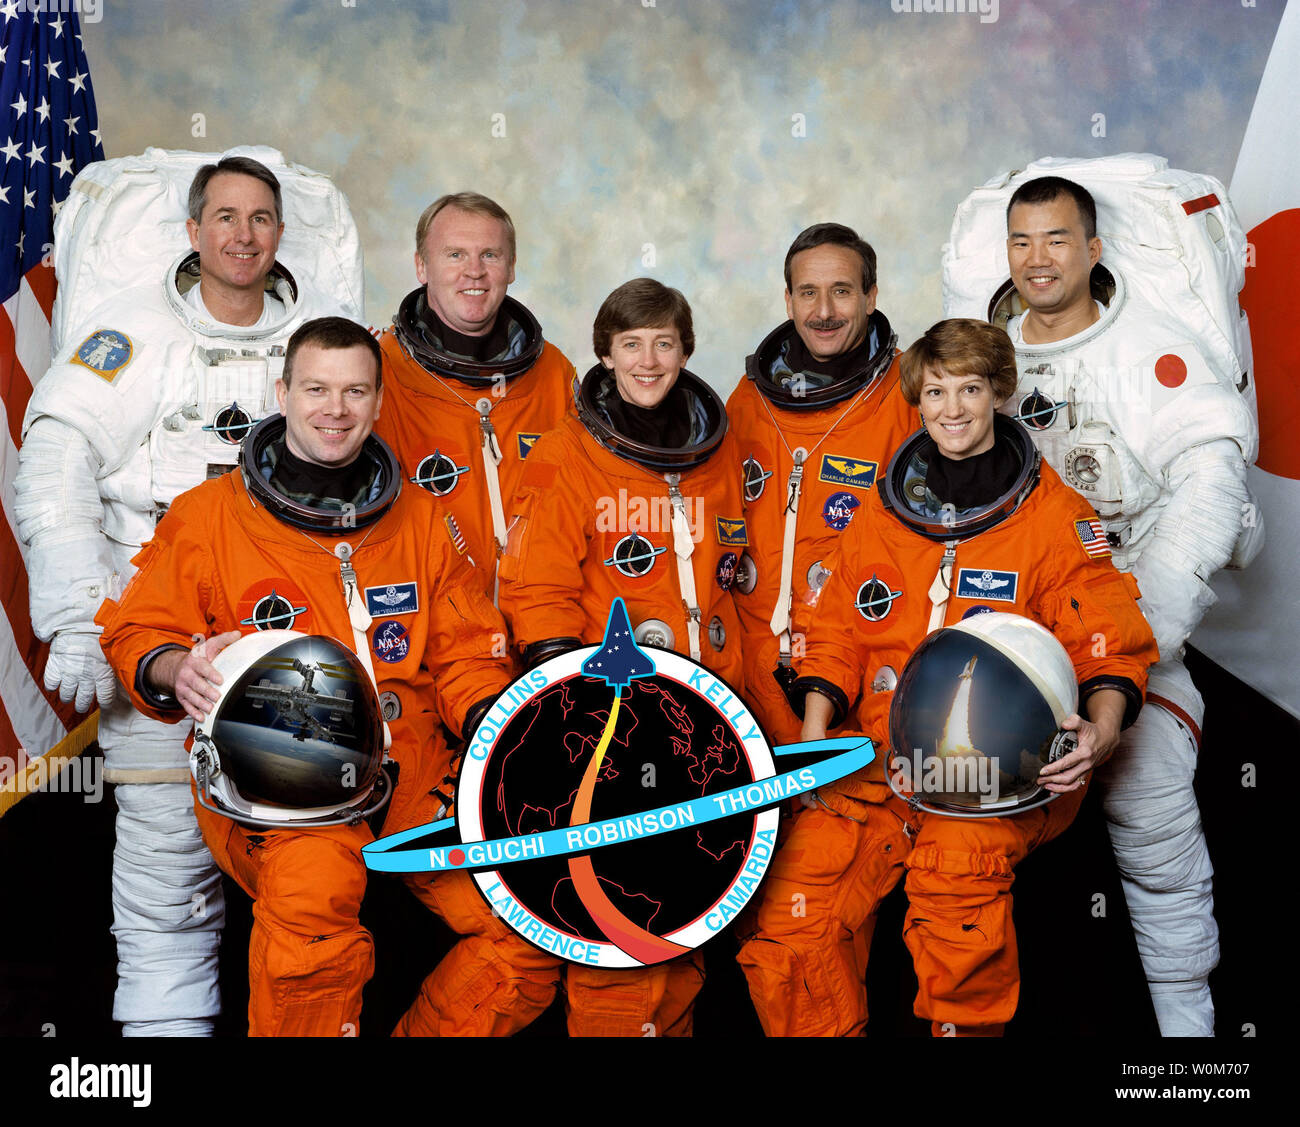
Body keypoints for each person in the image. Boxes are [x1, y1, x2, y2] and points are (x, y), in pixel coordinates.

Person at [96, 318, 561, 1036]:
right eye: (315, 388)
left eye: (353, 391)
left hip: (414, 769)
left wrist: (497, 731)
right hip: (279, 773)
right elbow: (138, 630)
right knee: (313, 910)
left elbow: (469, 653)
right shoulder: (211, 517)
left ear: (378, 402)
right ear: (282, 392)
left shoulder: (420, 518)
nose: (334, 409)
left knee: (531, 923)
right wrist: (172, 668)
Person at [14, 153, 360, 1037]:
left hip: (291, 648)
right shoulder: (130, 338)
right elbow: (54, 463)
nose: (243, 236)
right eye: (225, 217)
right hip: (161, 629)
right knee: (169, 884)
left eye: (260, 219)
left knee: (308, 872)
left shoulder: (319, 347)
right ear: (193, 231)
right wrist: (83, 618)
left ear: (281, 233)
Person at [736, 319, 1158, 1036]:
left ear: (999, 393)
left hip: (994, 770)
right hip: (875, 757)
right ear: (918, 398)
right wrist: (812, 744)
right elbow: (835, 631)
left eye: (970, 388)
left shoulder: (1052, 518)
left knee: (953, 897)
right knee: (791, 919)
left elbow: (1110, 644)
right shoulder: (883, 510)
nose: (952, 408)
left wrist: (1104, 730)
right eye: (936, 390)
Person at [1002, 176, 1258, 1036]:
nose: (1039, 260)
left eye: (1058, 240)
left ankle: (1188, 1032)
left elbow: (1211, 485)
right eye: (1024, 242)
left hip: (1134, 618)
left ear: (1094, 249)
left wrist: (1134, 637)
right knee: (951, 808)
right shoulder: (986, 365)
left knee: (1150, 809)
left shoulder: (1154, 355)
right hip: (1010, 632)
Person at [498, 278, 746, 1035]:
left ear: (686, 350)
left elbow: (739, 576)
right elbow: (537, 585)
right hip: (621, 723)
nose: (648, 360)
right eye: (631, 344)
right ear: (602, 353)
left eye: (664, 343)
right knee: (623, 922)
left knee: (689, 915)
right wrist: (577, 704)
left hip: (716, 717)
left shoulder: (718, 446)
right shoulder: (567, 455)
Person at [726, 223, 915, 745]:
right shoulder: (748, 399)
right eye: (808, 292)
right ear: (788, 301)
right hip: (750, 669)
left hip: (858, 666)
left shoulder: (910, 400)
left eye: (842, 291)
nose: (824, 311)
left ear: (871, 297)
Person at [376, 192, 575, 601]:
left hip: (541, 614)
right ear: (421, 266)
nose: (474, 272)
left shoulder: (554, 375)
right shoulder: (378, 373)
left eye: (490, 255)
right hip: (434, 625)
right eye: (454, 255)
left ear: (512, 267)